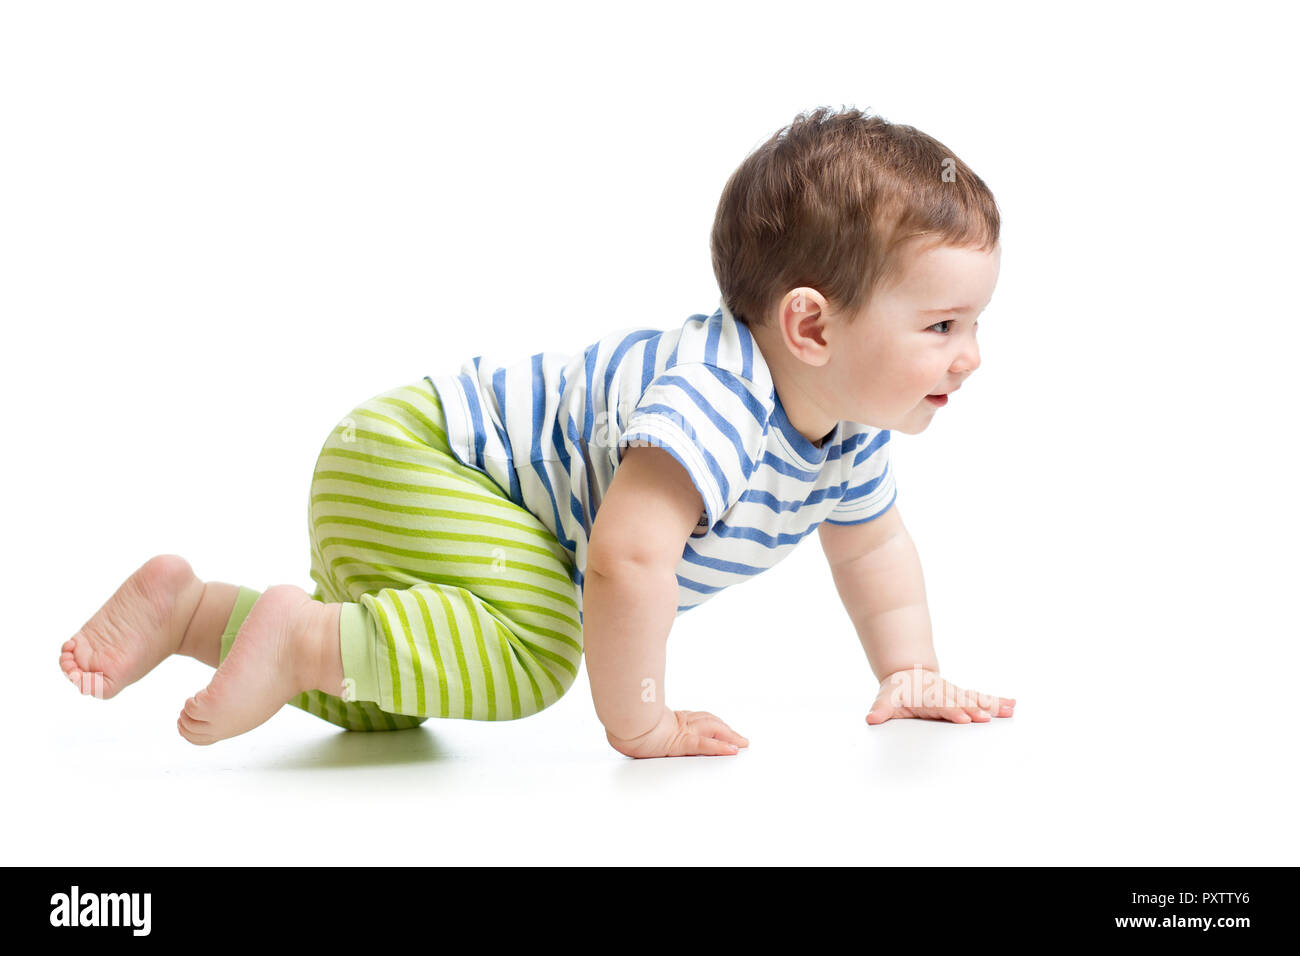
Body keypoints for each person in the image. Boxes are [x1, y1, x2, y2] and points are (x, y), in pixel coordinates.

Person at [59, 105, 1015, 759]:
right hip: (414, 458)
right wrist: (640, 722)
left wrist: (912, 674)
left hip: (403, 479)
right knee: (537, 649)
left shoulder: (846, 434)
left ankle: (191, 613)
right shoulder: (722, 396)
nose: (969, 356)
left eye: (973, 325)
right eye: (941, 327)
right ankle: (299, 637)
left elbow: (873, 550)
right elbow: (625, 563)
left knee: (394, 693)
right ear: (811, 326)